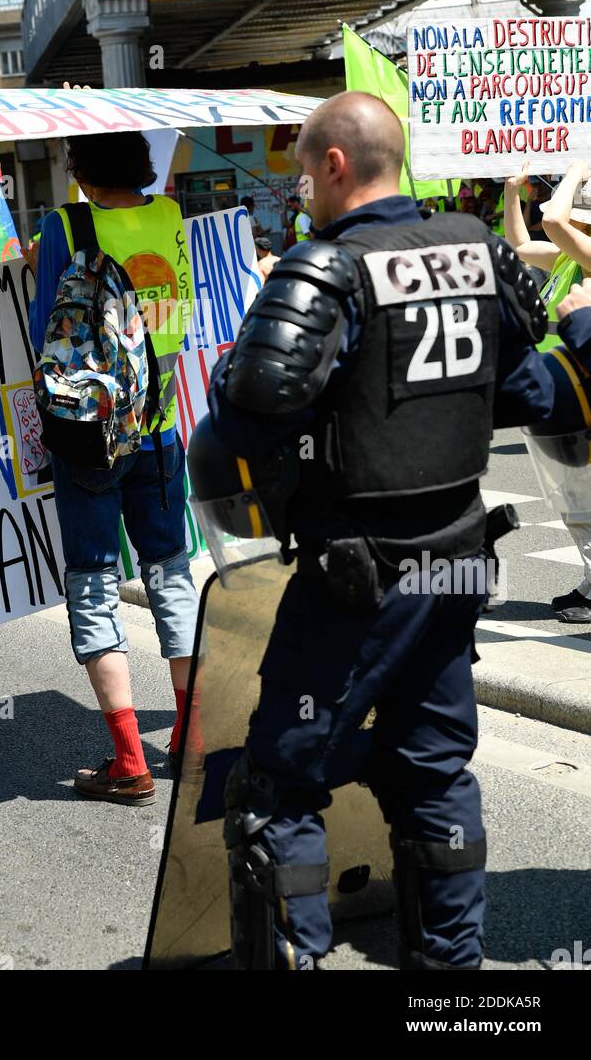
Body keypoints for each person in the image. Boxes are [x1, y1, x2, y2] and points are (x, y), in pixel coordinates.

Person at [201, 90, 591, 970]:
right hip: (456, 575)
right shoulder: (478, 254)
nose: (301, 190)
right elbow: (539, 395)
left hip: (354, 582)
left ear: (336, 164)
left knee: (278, 785)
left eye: (303, 171)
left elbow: (253, 411)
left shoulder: (326, 270)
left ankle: (292, 957)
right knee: (435, 777)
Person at [26, 131, 199, 806]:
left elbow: (48, 330)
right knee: (171, 573)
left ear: (80, 168)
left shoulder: (66, 225)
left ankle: (130, 760)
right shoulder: (170, 217)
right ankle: (189, 733)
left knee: (95, 581)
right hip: (159, 432)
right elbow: (172, 309)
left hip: (92, 438)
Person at [505, 160, 591, 621]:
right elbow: (519, 244)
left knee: (586, 499)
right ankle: (590, 583)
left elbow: (553, 220)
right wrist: (511, 192)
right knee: (573, 500)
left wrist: (575, 169)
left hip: (585, 394)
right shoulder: (564, 258)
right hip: (562, 394)